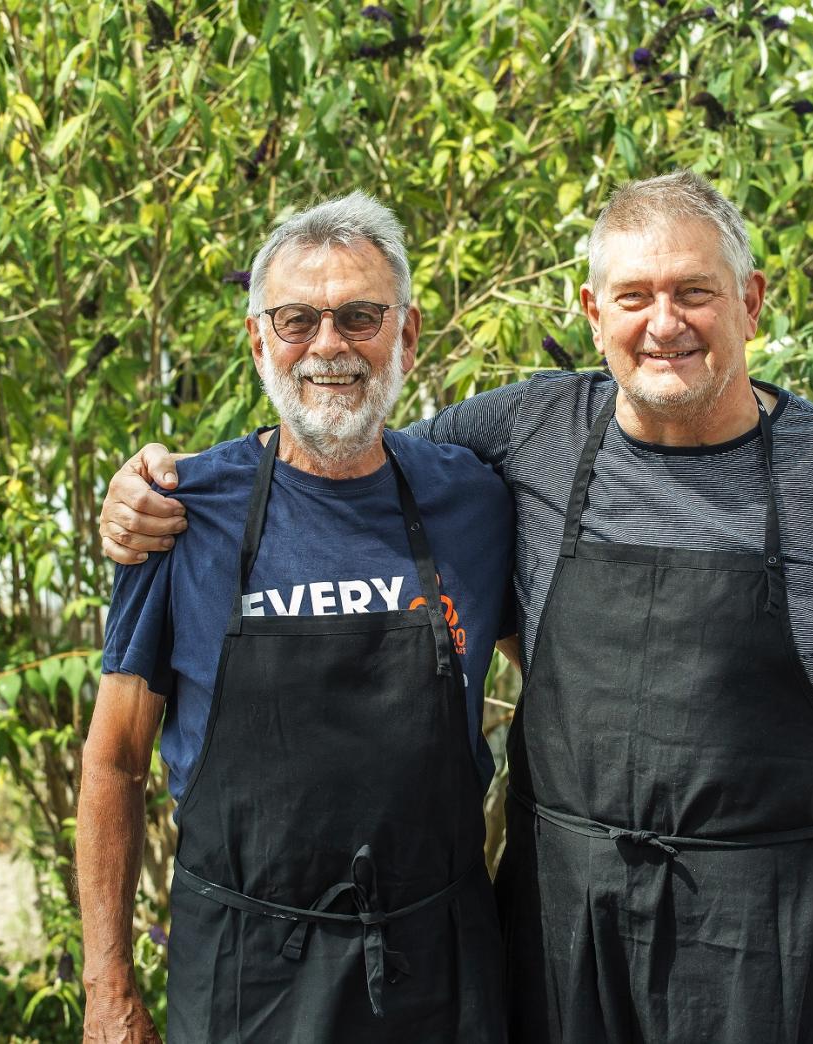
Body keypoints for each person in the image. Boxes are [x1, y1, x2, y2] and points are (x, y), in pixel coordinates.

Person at [98, 171, 813, 1044]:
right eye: (634, 295)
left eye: (695, 293)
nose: (665, 324)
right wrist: (149, 489)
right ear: (592, 311)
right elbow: (342, 450)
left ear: (751, 301)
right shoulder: (525, 435)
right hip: (573, 951)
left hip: (798, 942)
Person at [78, 192, 513, 1043]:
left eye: (359, 316)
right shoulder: (181, 510)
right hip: (244, 974)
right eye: (296, 320)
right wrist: (107, 989)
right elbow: (114, 762)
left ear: (407, 335)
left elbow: (567, 692)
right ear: (257, 341)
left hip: (441, 970)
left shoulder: (475, 502)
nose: (329, 346)